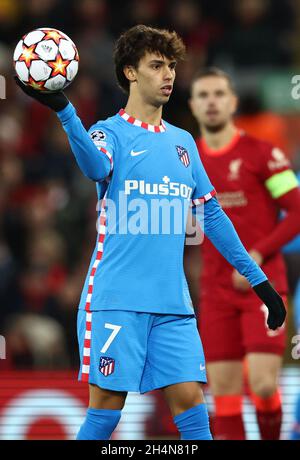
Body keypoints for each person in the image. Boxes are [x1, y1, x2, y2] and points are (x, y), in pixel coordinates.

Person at [15, 26, 286, 441]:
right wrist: (66, 111)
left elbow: (213, 218)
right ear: (130, 72)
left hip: (172, 306)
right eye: (156, 65)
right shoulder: (110, 133)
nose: (169, 75)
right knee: (106, 410)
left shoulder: (183, 144)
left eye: (172, 66)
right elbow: (95, 168)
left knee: (193, 405)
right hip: (115, 301)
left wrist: (260, 282)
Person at [188, 67, 300, 440]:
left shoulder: (264, 154)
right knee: (226, 398)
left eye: (219, 93)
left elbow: (297, 210)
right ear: (192, 106)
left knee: (265, 386)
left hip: (263, 286)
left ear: (233, 102)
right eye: (203, 95)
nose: (212, 102)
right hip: (215, 291)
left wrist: (257, 254)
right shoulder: (185, 162)